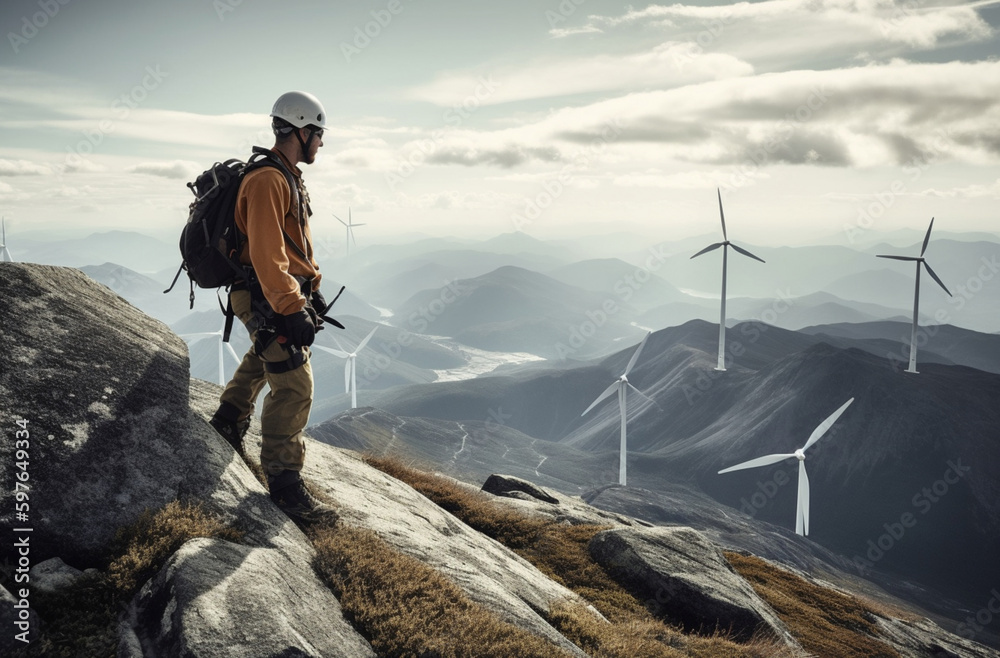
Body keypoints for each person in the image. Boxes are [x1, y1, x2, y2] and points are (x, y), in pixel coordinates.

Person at [209, 90, 336, 524]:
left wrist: (311, 289)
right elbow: (267, 253)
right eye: (318, 134)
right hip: (265, 293)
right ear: (300, 130)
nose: (320, 143)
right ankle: (284, 485)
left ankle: (227, 420)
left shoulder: (287, 176)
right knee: (295, 384)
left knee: (264, 356)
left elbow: (292, 245)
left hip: (277, 292)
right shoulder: (268, 180)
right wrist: (289, 307)